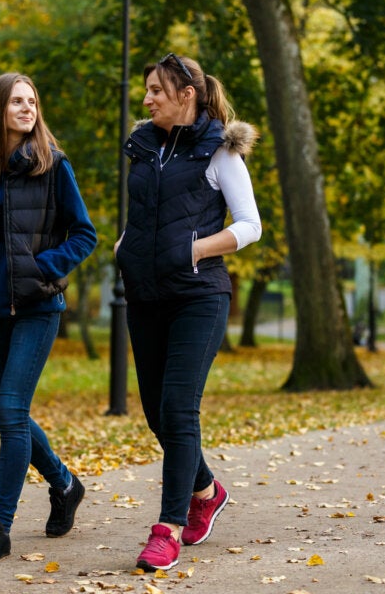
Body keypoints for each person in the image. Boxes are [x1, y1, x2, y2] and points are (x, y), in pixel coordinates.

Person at [114, 53, 262, 571]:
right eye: (148, 89)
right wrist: (125, 248)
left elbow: (249, 226)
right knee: (157, 412)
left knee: (178, 408)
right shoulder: (143, 148)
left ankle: (168, 528)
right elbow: (141, 218)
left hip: (199, 296)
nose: (148, 98)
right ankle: (206, 490)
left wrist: (196, 250)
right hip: (146, 294)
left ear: (186, 94)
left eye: (157, 89)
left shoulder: (219, 151)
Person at [0, 72, 97, 563]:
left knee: (11, 412)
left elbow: (84, 234)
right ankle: (65, 483)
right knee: (6, 417)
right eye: (17, 101)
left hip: (36, 308)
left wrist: (42, 268)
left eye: (32, 101)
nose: (27, 108)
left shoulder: (53, 167)